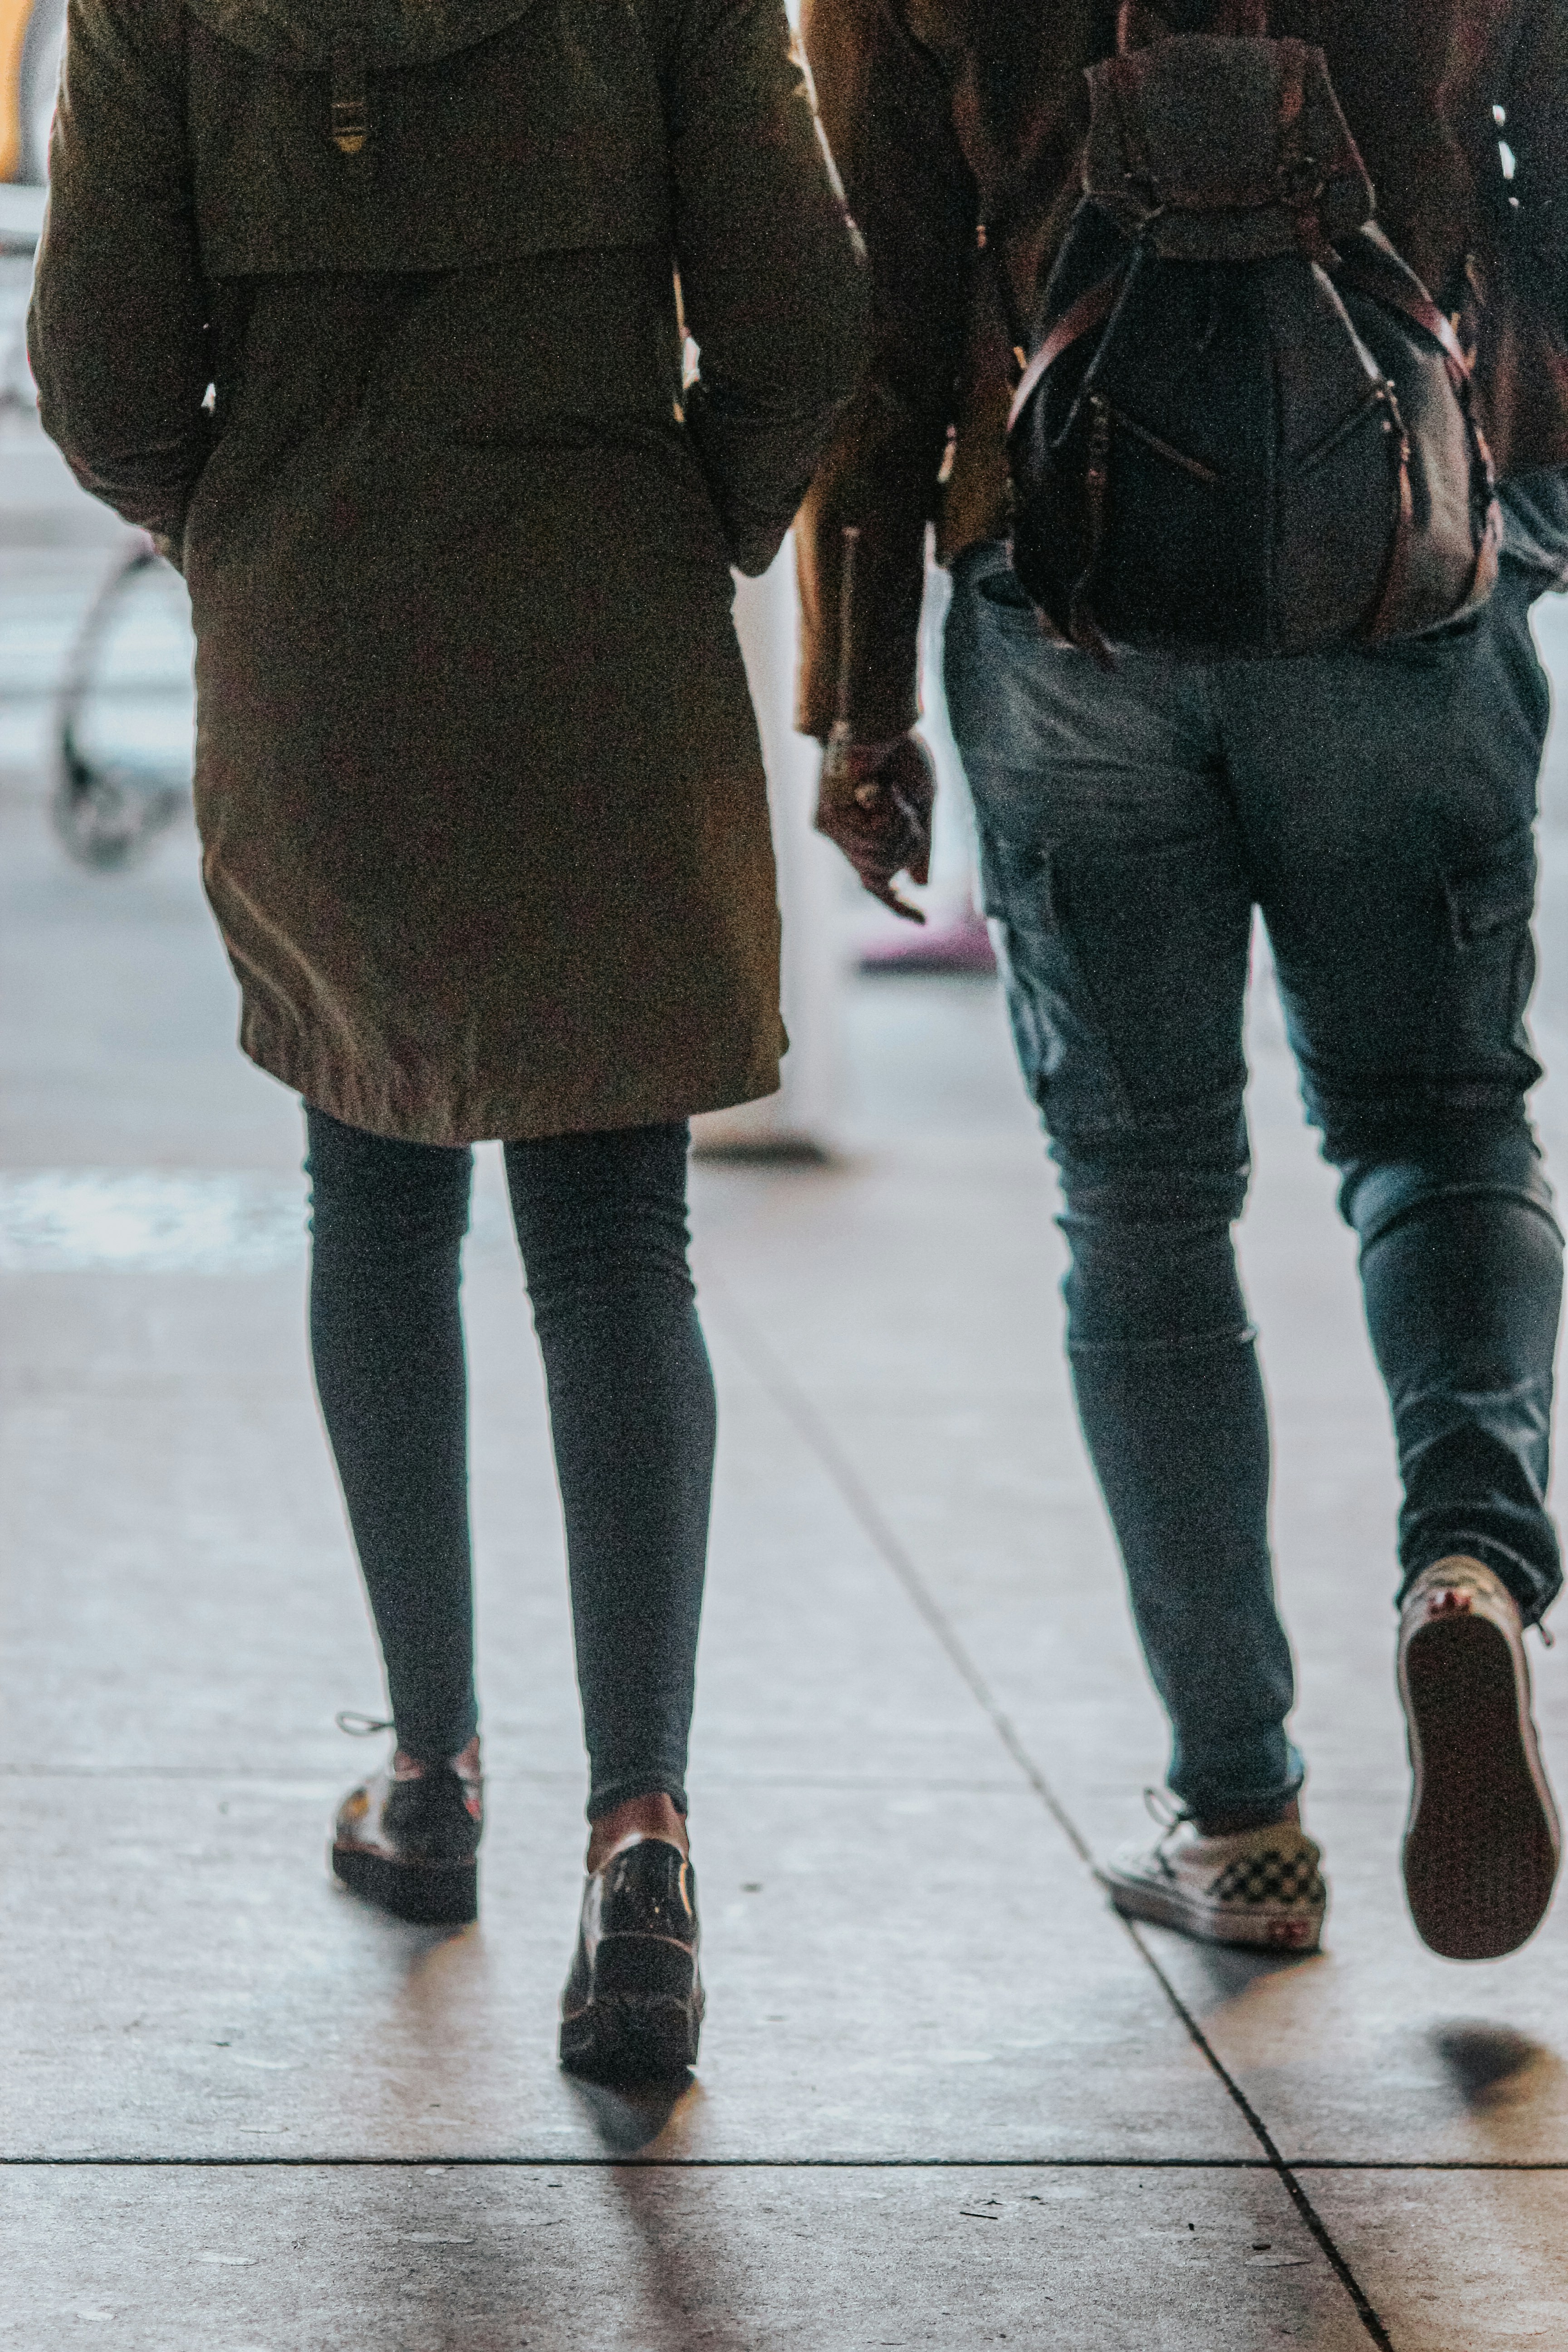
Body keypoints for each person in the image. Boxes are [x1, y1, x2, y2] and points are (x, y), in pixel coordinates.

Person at [29, 0, 866, 2078]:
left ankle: (432, 1775)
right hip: (605, 611)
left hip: (317, 626)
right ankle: (644, 1843)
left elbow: (99, 372)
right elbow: (803, 316)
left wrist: (230, 522)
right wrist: (700, 521)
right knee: (612, 1239)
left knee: (372, 1184)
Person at [797, 0, 1568, 1963]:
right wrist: (1523, 491)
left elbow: (874, 301)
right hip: (1400, 545)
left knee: (1142, 1200)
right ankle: (1471, 1566)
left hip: (1069, 596)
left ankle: (1242, 1815)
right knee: (1442, 1130)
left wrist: (862, 697)